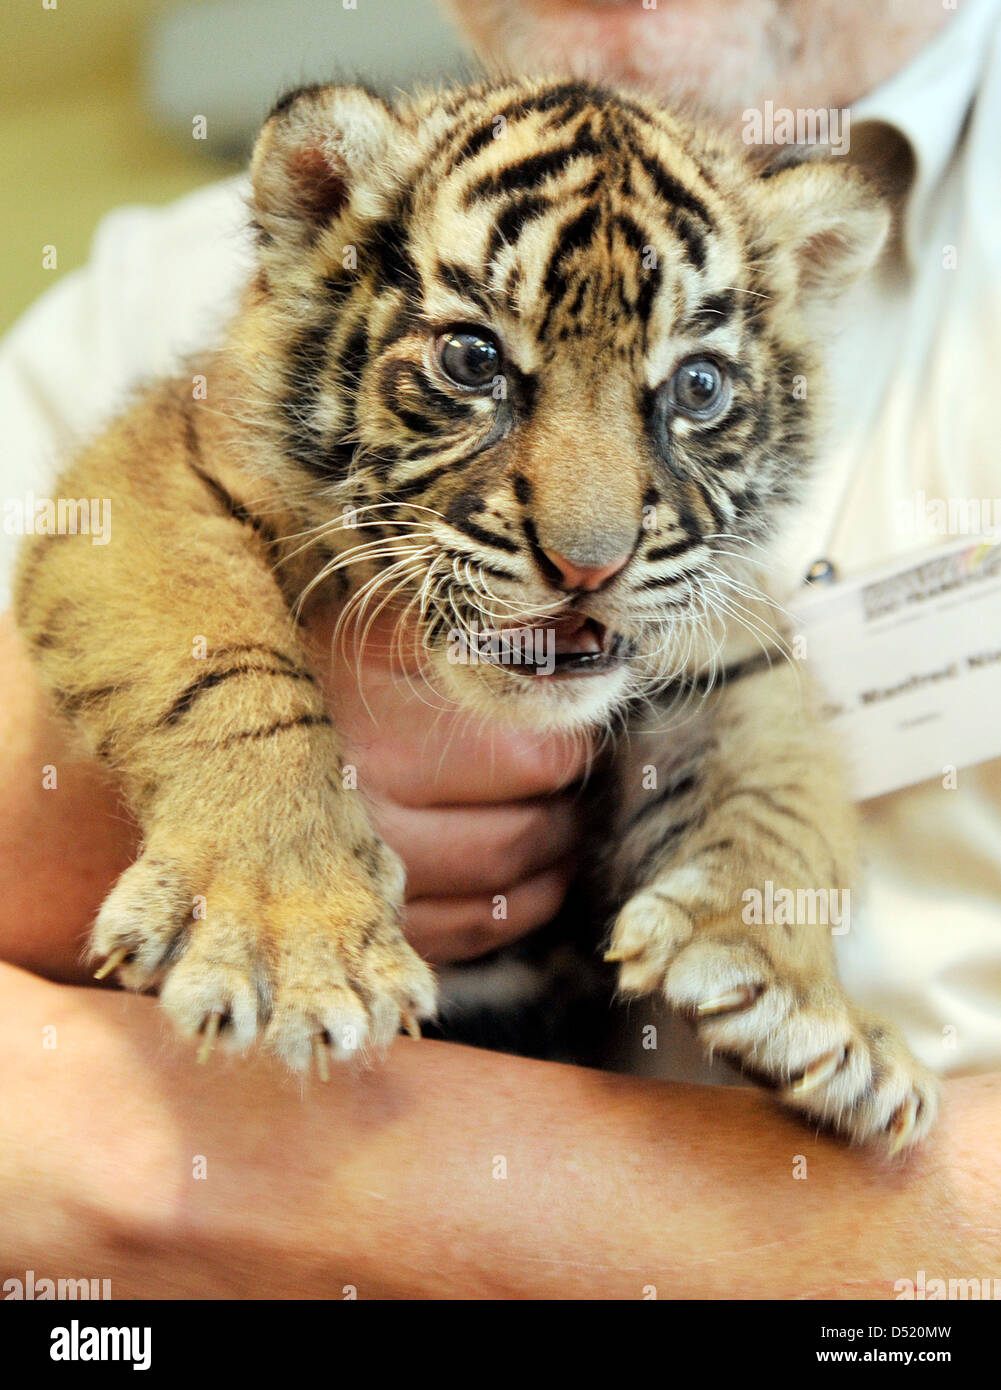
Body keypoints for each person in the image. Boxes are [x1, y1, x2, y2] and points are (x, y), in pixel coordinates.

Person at [1, 0, 999, 1298]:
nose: (587, 535)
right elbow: (132, 526)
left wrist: (126, 1166)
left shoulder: (766, 304)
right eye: (472, 360)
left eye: (693, 390)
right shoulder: (219, 277)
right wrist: (82, 812)